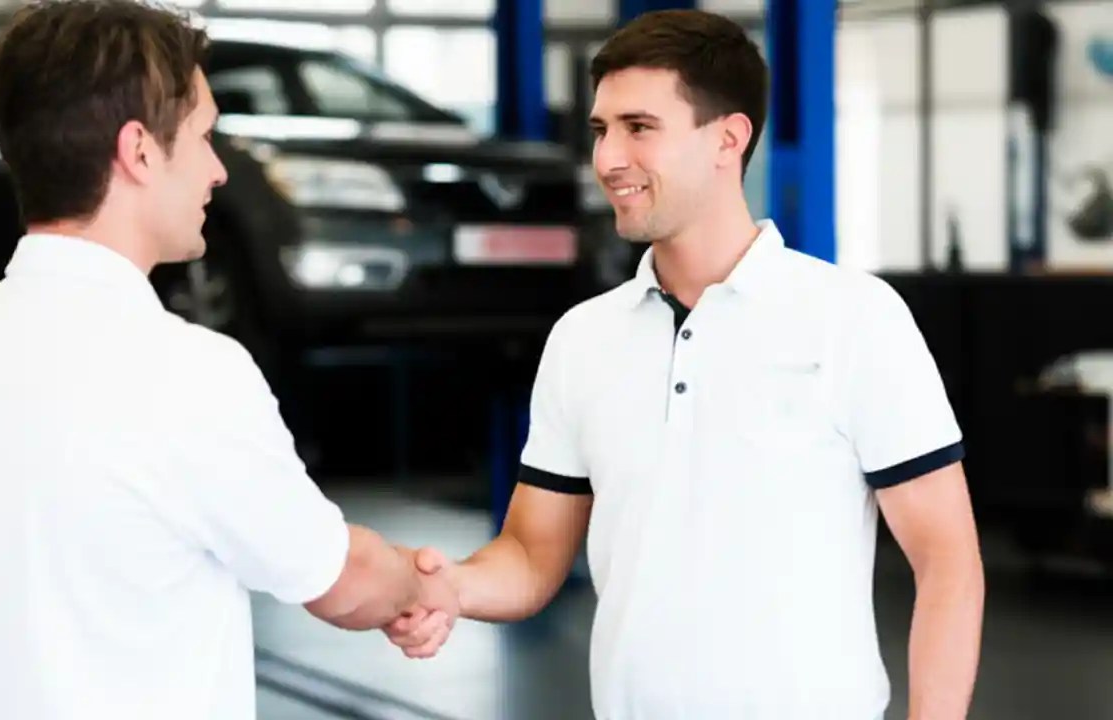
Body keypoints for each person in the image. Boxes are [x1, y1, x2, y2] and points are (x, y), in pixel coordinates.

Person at [385, 9, 985, 720]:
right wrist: (451, 588)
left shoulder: (855, 318)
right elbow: (530, 553)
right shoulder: (583, 339)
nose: (608, 158)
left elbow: (947, 560)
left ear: (728, 139)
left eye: (639, 128)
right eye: (602, 130)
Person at [0, 2, 455, 718]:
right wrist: (423, 585)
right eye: (203, 136)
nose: (218, 170)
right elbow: (341, 579)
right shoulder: (189, 374)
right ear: (139, 151)